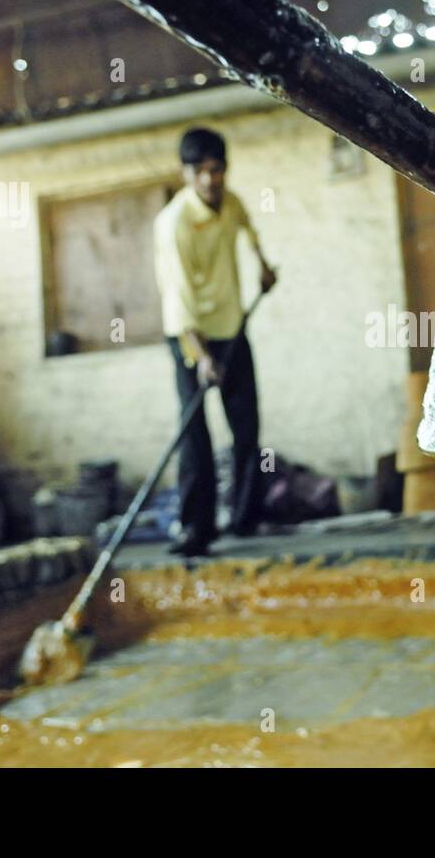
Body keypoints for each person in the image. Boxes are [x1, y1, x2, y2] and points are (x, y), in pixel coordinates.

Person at [154, 127, 276, 556]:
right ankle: (195, 529)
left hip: (231, 326)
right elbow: (180, 296)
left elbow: (247, 227)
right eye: (200, 172)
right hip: (190, 336)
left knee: (247, 427)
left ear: (225, 169)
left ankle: (245, 519)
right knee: (195, 433)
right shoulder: (174, 225)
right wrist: (201, 357)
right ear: (186, 174)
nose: (209, 180)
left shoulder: (232, 202)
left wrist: (262, 263)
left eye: (216, 170)